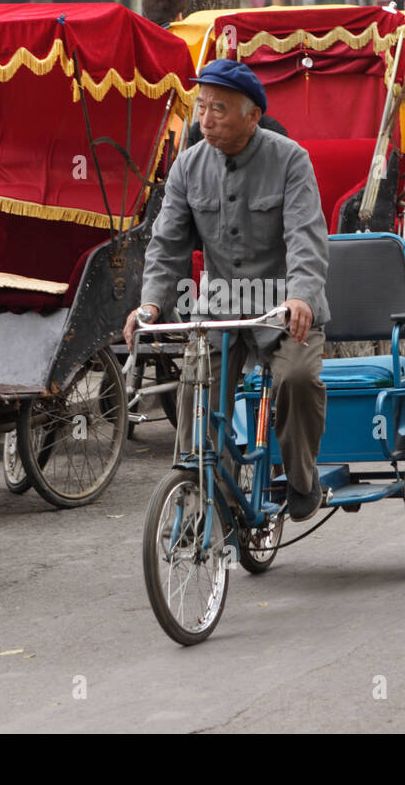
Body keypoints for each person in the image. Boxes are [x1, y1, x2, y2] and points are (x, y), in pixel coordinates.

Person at [123, 60, 330, 521]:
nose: (206, 118)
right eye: (201, 107)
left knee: (296, 379)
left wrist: (301, 296)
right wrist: (152, 303)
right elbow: (167, 242)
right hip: (219, 310)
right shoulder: (188, 166)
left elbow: (306, 238)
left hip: (284, 307)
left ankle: (301, 478)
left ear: (252, 115)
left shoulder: (290, 159)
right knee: (195, 391)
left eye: (219, 108)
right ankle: (204, 487)